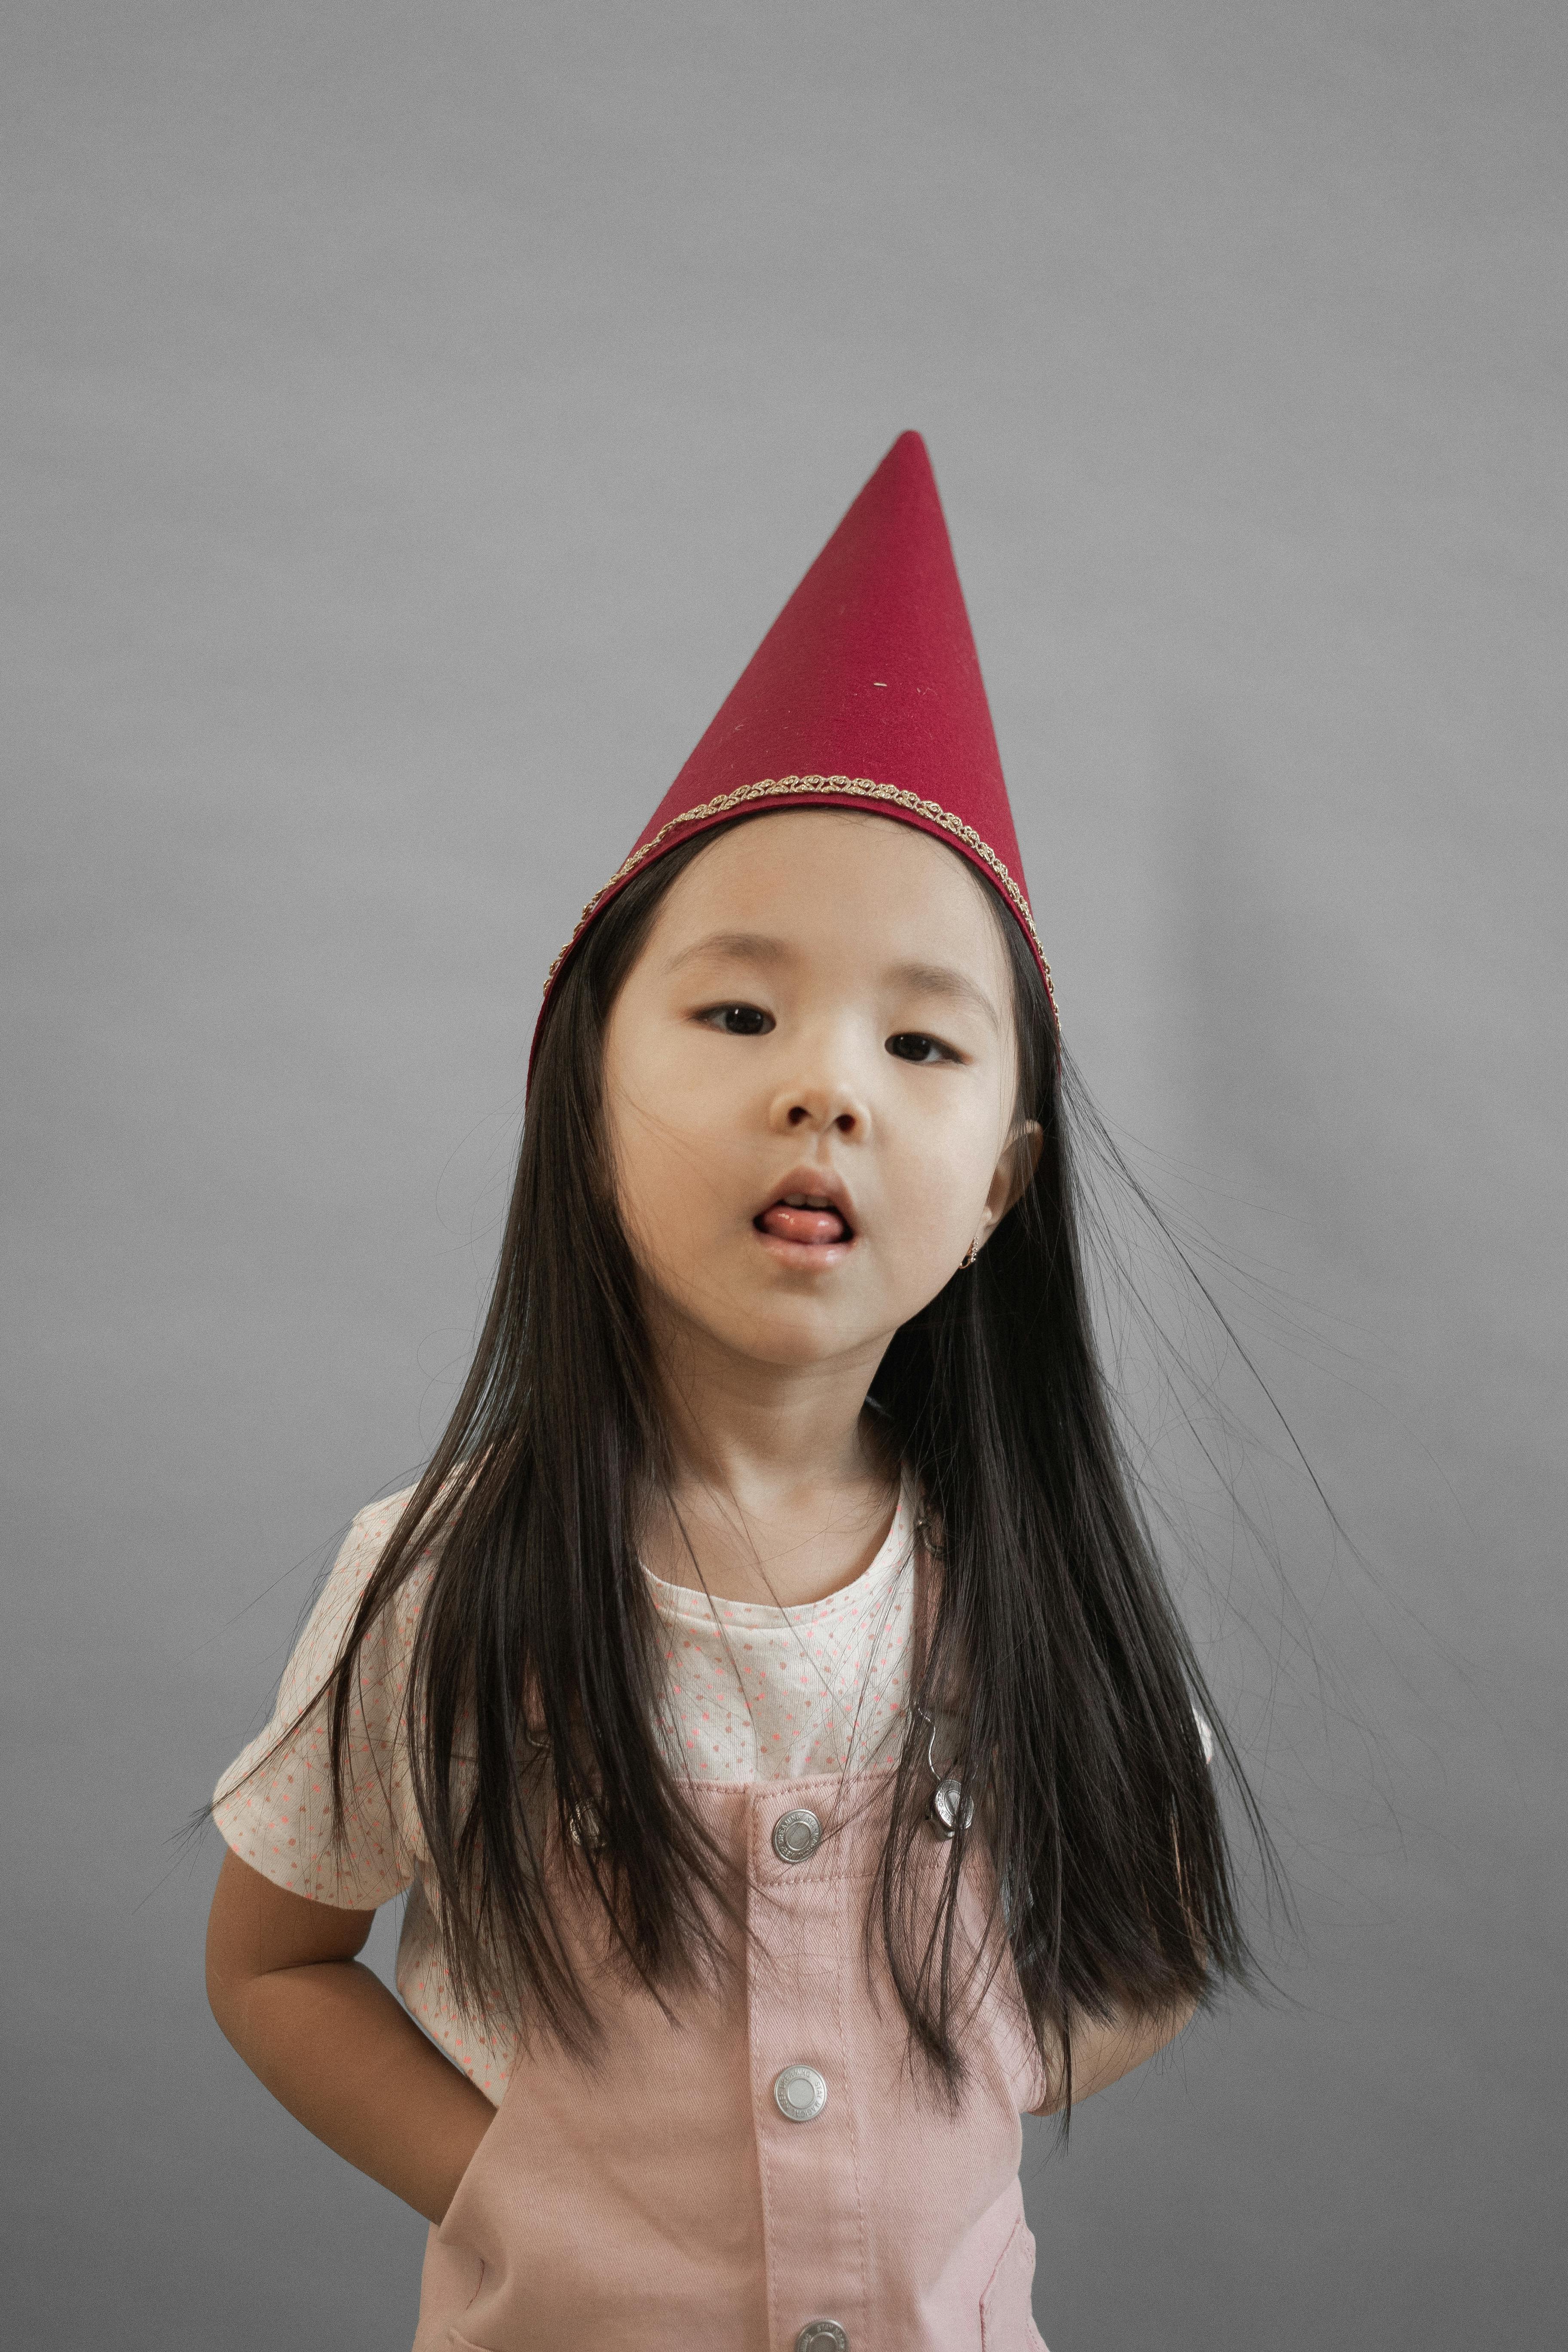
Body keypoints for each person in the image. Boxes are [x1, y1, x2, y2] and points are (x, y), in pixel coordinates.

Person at [205, 432, 1250, 2352]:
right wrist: (493, 2178)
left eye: (920, 1039)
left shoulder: (1028, 1589)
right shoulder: (446, 1576)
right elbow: (275, 1960)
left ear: (1003, 1186)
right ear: (586, 1099)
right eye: (743, 1011)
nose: (827, 1088)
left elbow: (1164, 1929)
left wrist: (963, 2101)